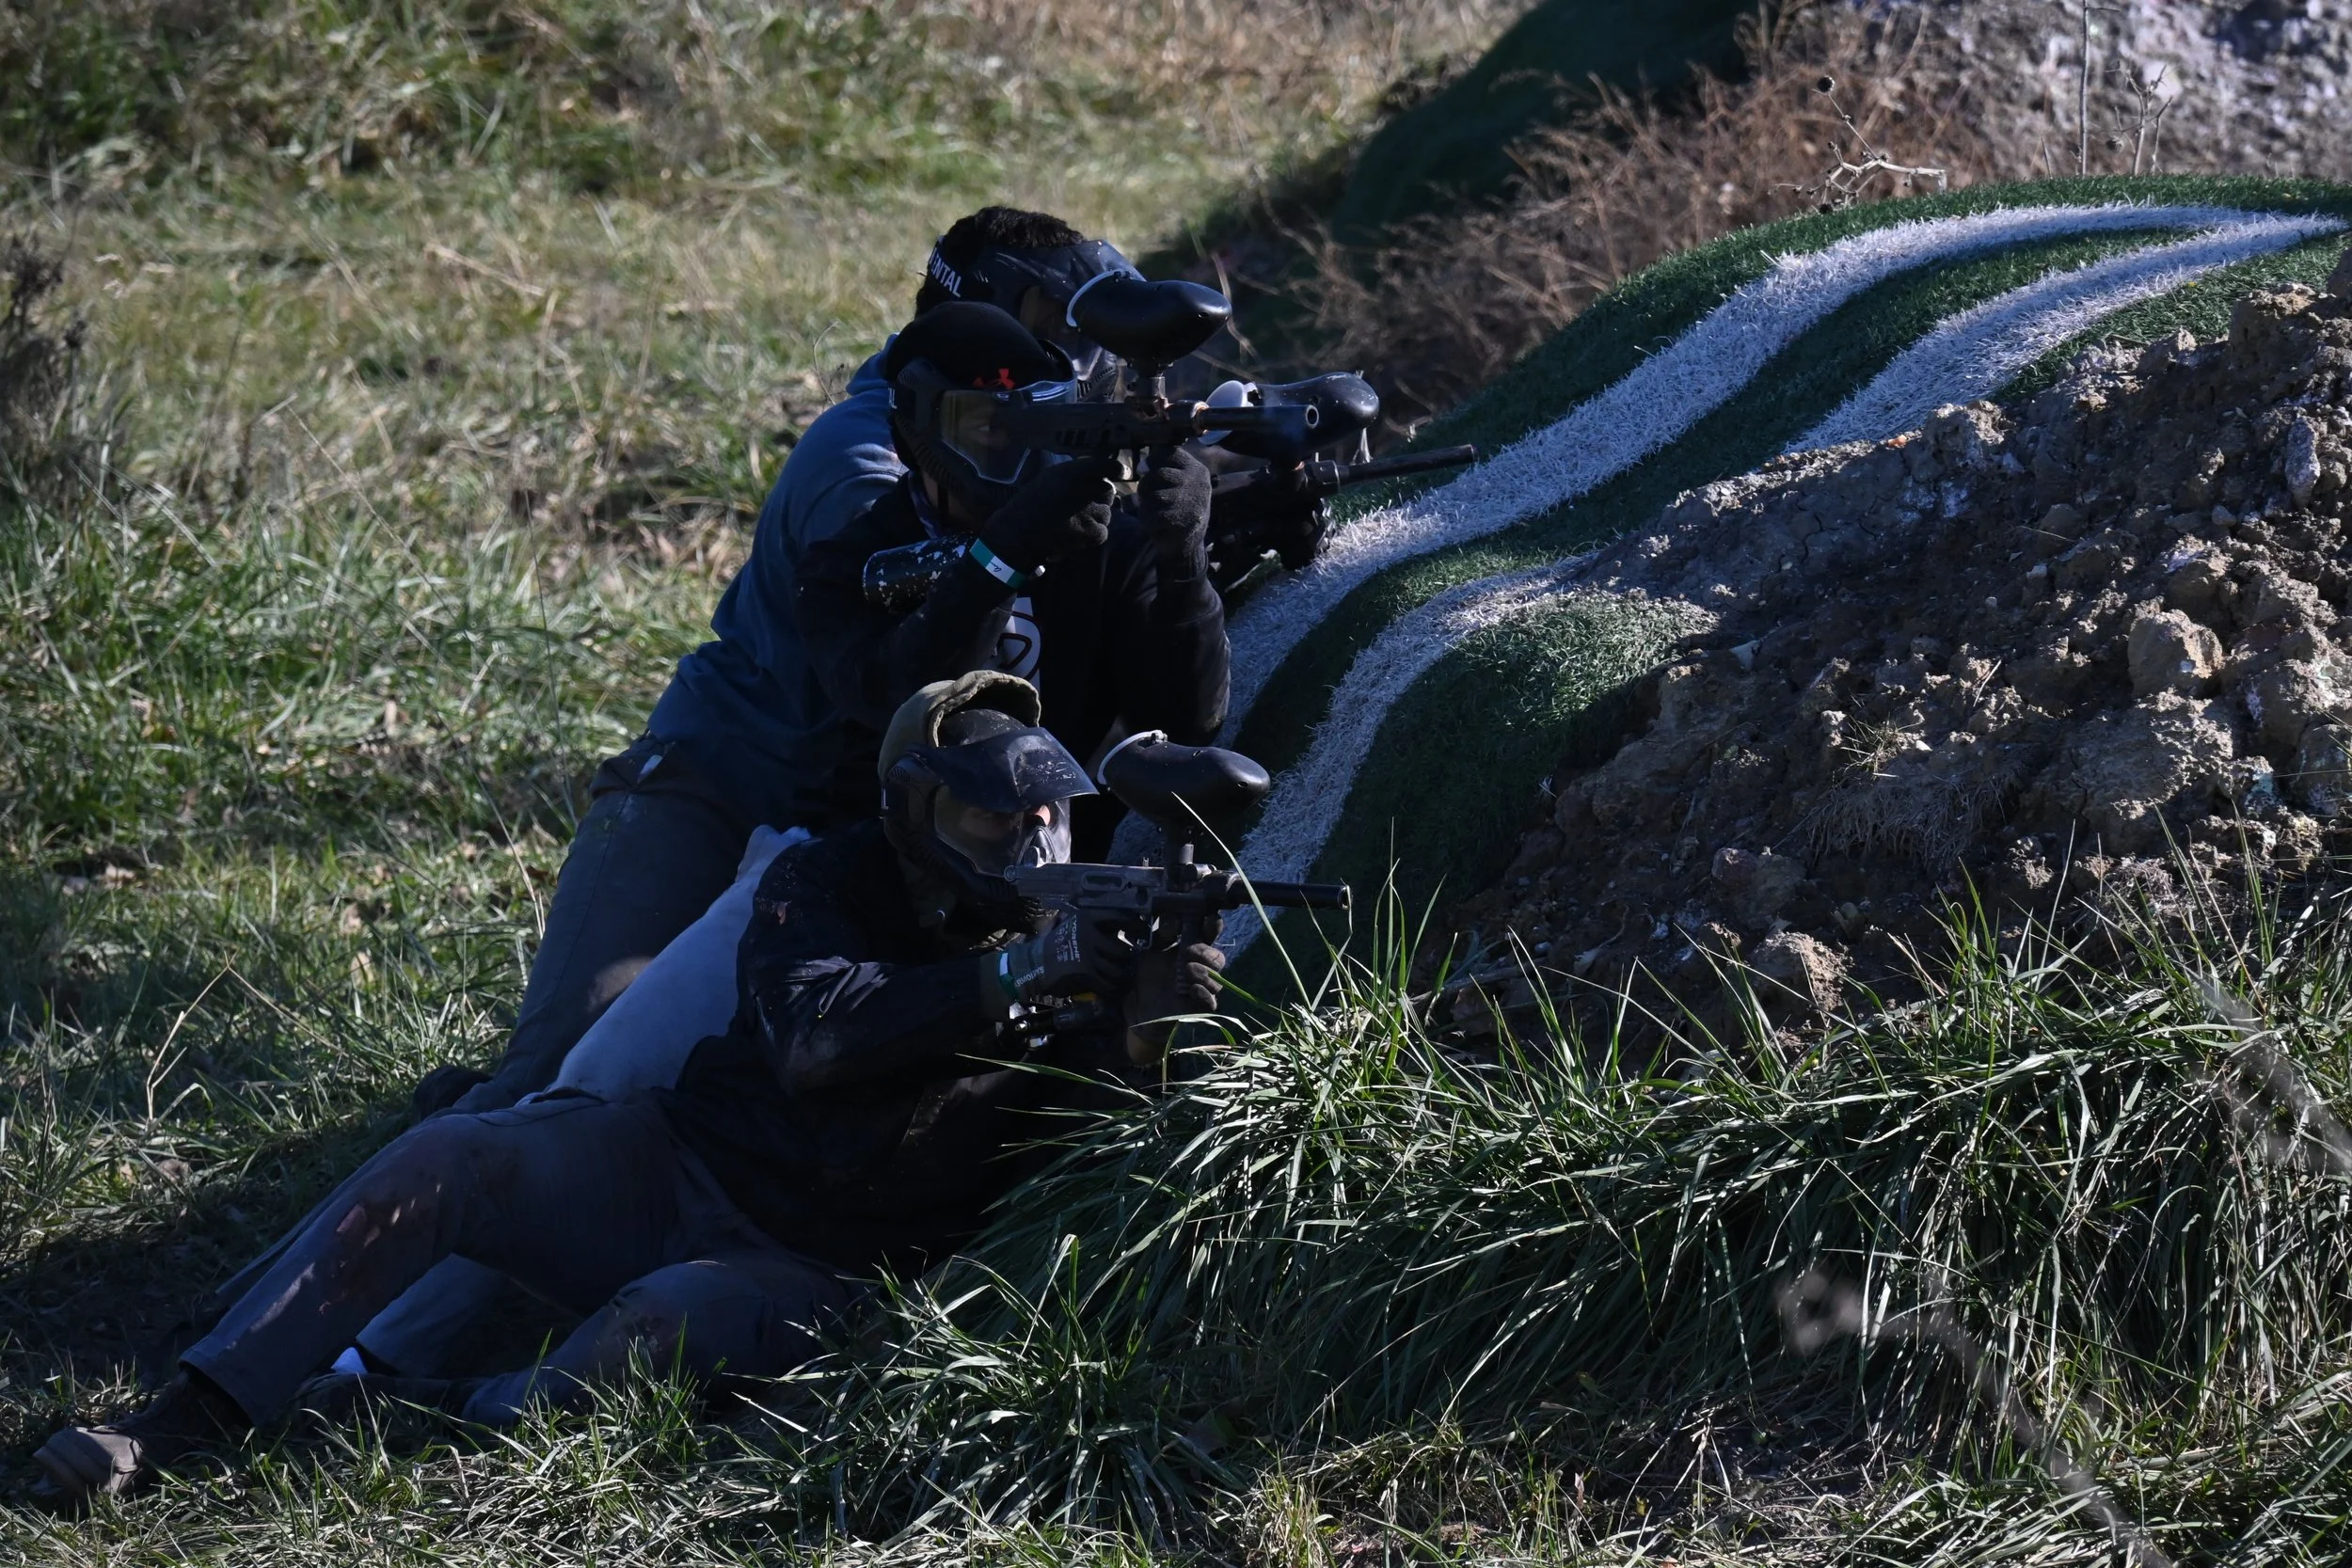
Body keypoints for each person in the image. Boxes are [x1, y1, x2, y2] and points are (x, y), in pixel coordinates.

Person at [35, 674, 1227, 1506]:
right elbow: (819, 1036)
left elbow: (1133, 1135)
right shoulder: (824, 879)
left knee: (652, 1331)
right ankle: (182, 1422)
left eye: (1046, 815)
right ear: (915, 808)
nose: (1029, 844)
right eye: (989, 812)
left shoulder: (1082, 938)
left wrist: (1155, 1016)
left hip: (820, 1263)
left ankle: (424, 1413)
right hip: (674, 1166)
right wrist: (1008, 973)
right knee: (450, 1154)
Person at [418, 208, 1147, 1121]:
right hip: (713, 791)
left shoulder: (1028, 457)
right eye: (1051, 326)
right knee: (559, 1074)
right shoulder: (861, 464)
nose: (1070, 364)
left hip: (858, 832)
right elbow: (895, 677)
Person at [795, 300, 1228, 850]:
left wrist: (1185, 570)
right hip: (875, 874)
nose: (1019, 450)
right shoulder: (845, 567)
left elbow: (1182, 727)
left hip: (1058, 871)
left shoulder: (1106, 549)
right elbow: (896, 701)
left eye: (1039, 420)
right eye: (989, 427)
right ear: (918, 438)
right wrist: (1003, 556)